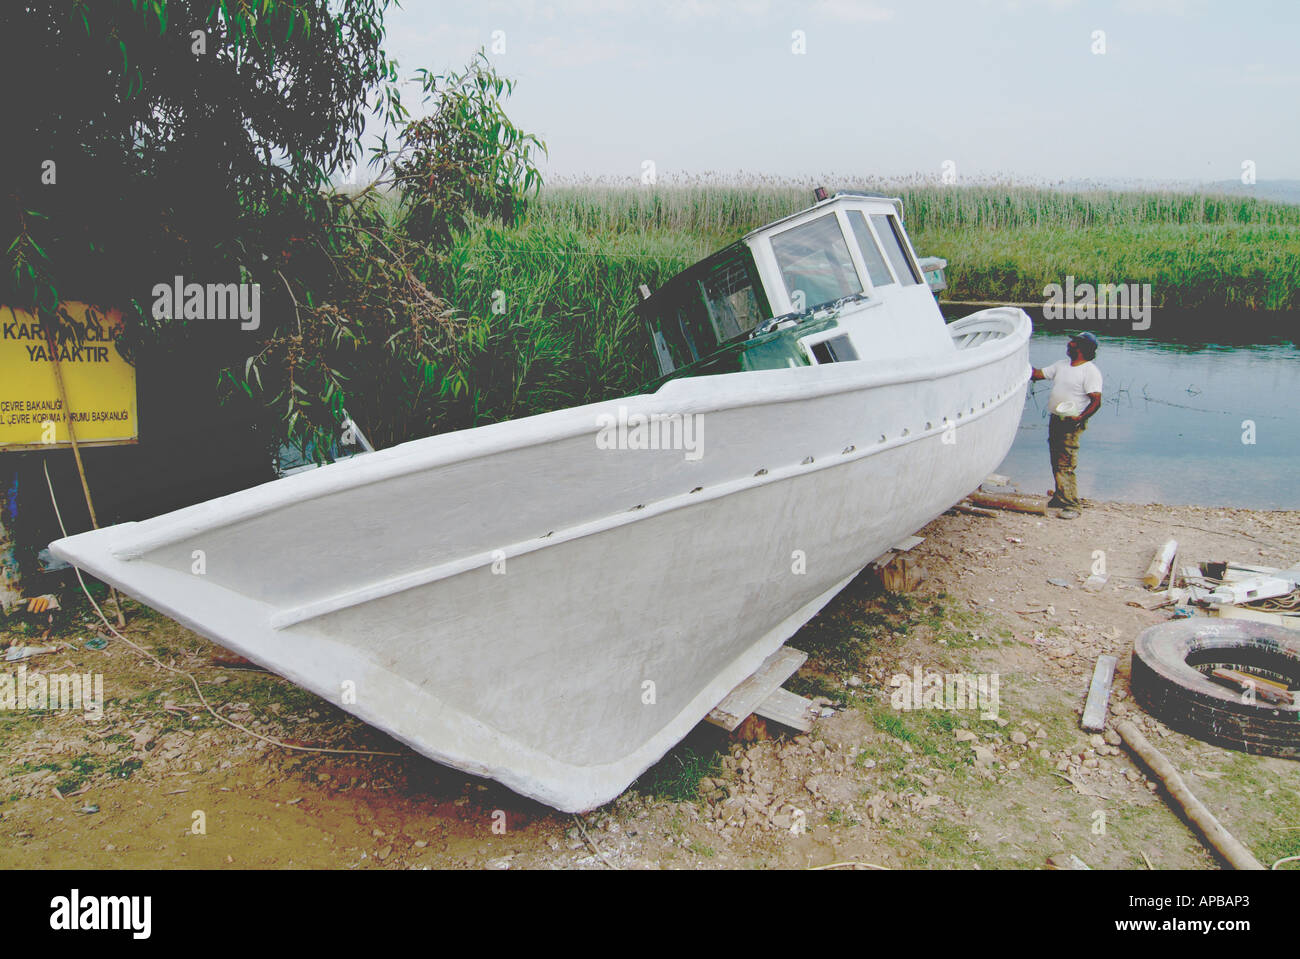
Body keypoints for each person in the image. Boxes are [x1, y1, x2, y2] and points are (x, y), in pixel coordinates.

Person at [1030, 332, 1101, 519]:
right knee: (1056, 459)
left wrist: (1079, 418)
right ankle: (1060, 496)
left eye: (1074, 342)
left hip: (1072, 422)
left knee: (1066, 463)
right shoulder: (1061, 365)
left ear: (1081, 348)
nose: (1069, 344)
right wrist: (1018, 359)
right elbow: (1036, 374)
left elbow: (1096, 401)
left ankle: (1072, 505)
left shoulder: (1090, 371)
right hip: (1056, 419)